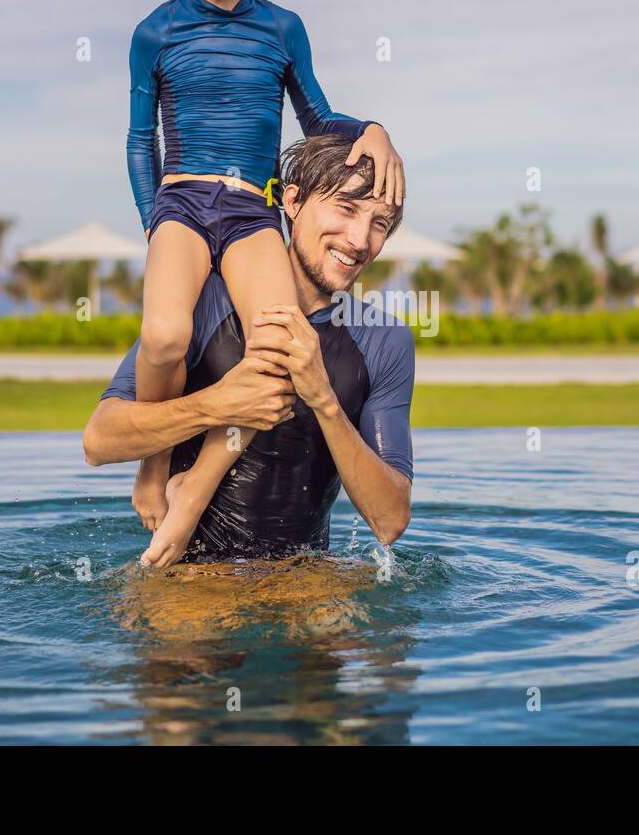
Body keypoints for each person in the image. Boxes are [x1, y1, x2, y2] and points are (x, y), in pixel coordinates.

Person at [126, 0, 407, 562]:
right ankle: (156, 472)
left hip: (254, 205)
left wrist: (372, 127)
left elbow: (316, 118)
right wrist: (154, 226)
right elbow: (141, 141)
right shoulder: (155, 32)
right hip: (182, 203)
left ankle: (196, 491)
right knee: (164, 336)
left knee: (278, 350)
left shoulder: (282, 27)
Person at [86, 135, 414, 567]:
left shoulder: (384, 340)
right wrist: (214, 406)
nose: (359, 239)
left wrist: (324, 401)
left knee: (350, 627)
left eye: (380, 224)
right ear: (292, 202)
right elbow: (99, 441)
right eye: (346, 208)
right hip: (193, 577)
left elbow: (389, 521)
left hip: (306, 579)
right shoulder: (205, 302)